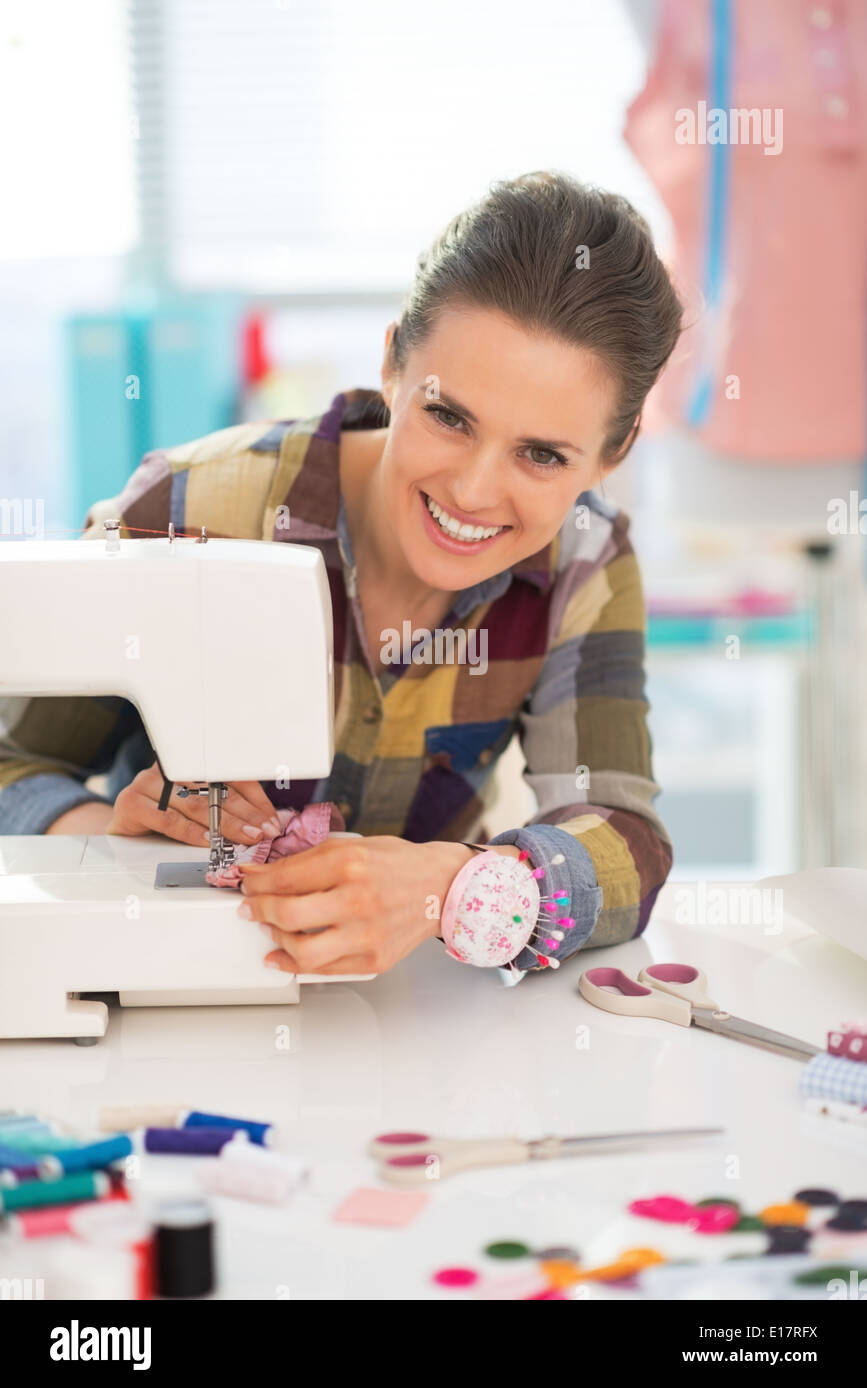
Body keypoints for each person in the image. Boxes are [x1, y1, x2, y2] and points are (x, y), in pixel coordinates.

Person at [0, 171, 682, 983]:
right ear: (393, 364)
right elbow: (12, 760)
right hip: (164, 995)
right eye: (448, 417)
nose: (470, 492)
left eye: (540, 454)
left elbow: (624, 841)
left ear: (613, 453)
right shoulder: (180, 508)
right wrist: (99, 831)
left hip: (405, 1018)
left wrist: (450, 888)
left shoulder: (584, 564)